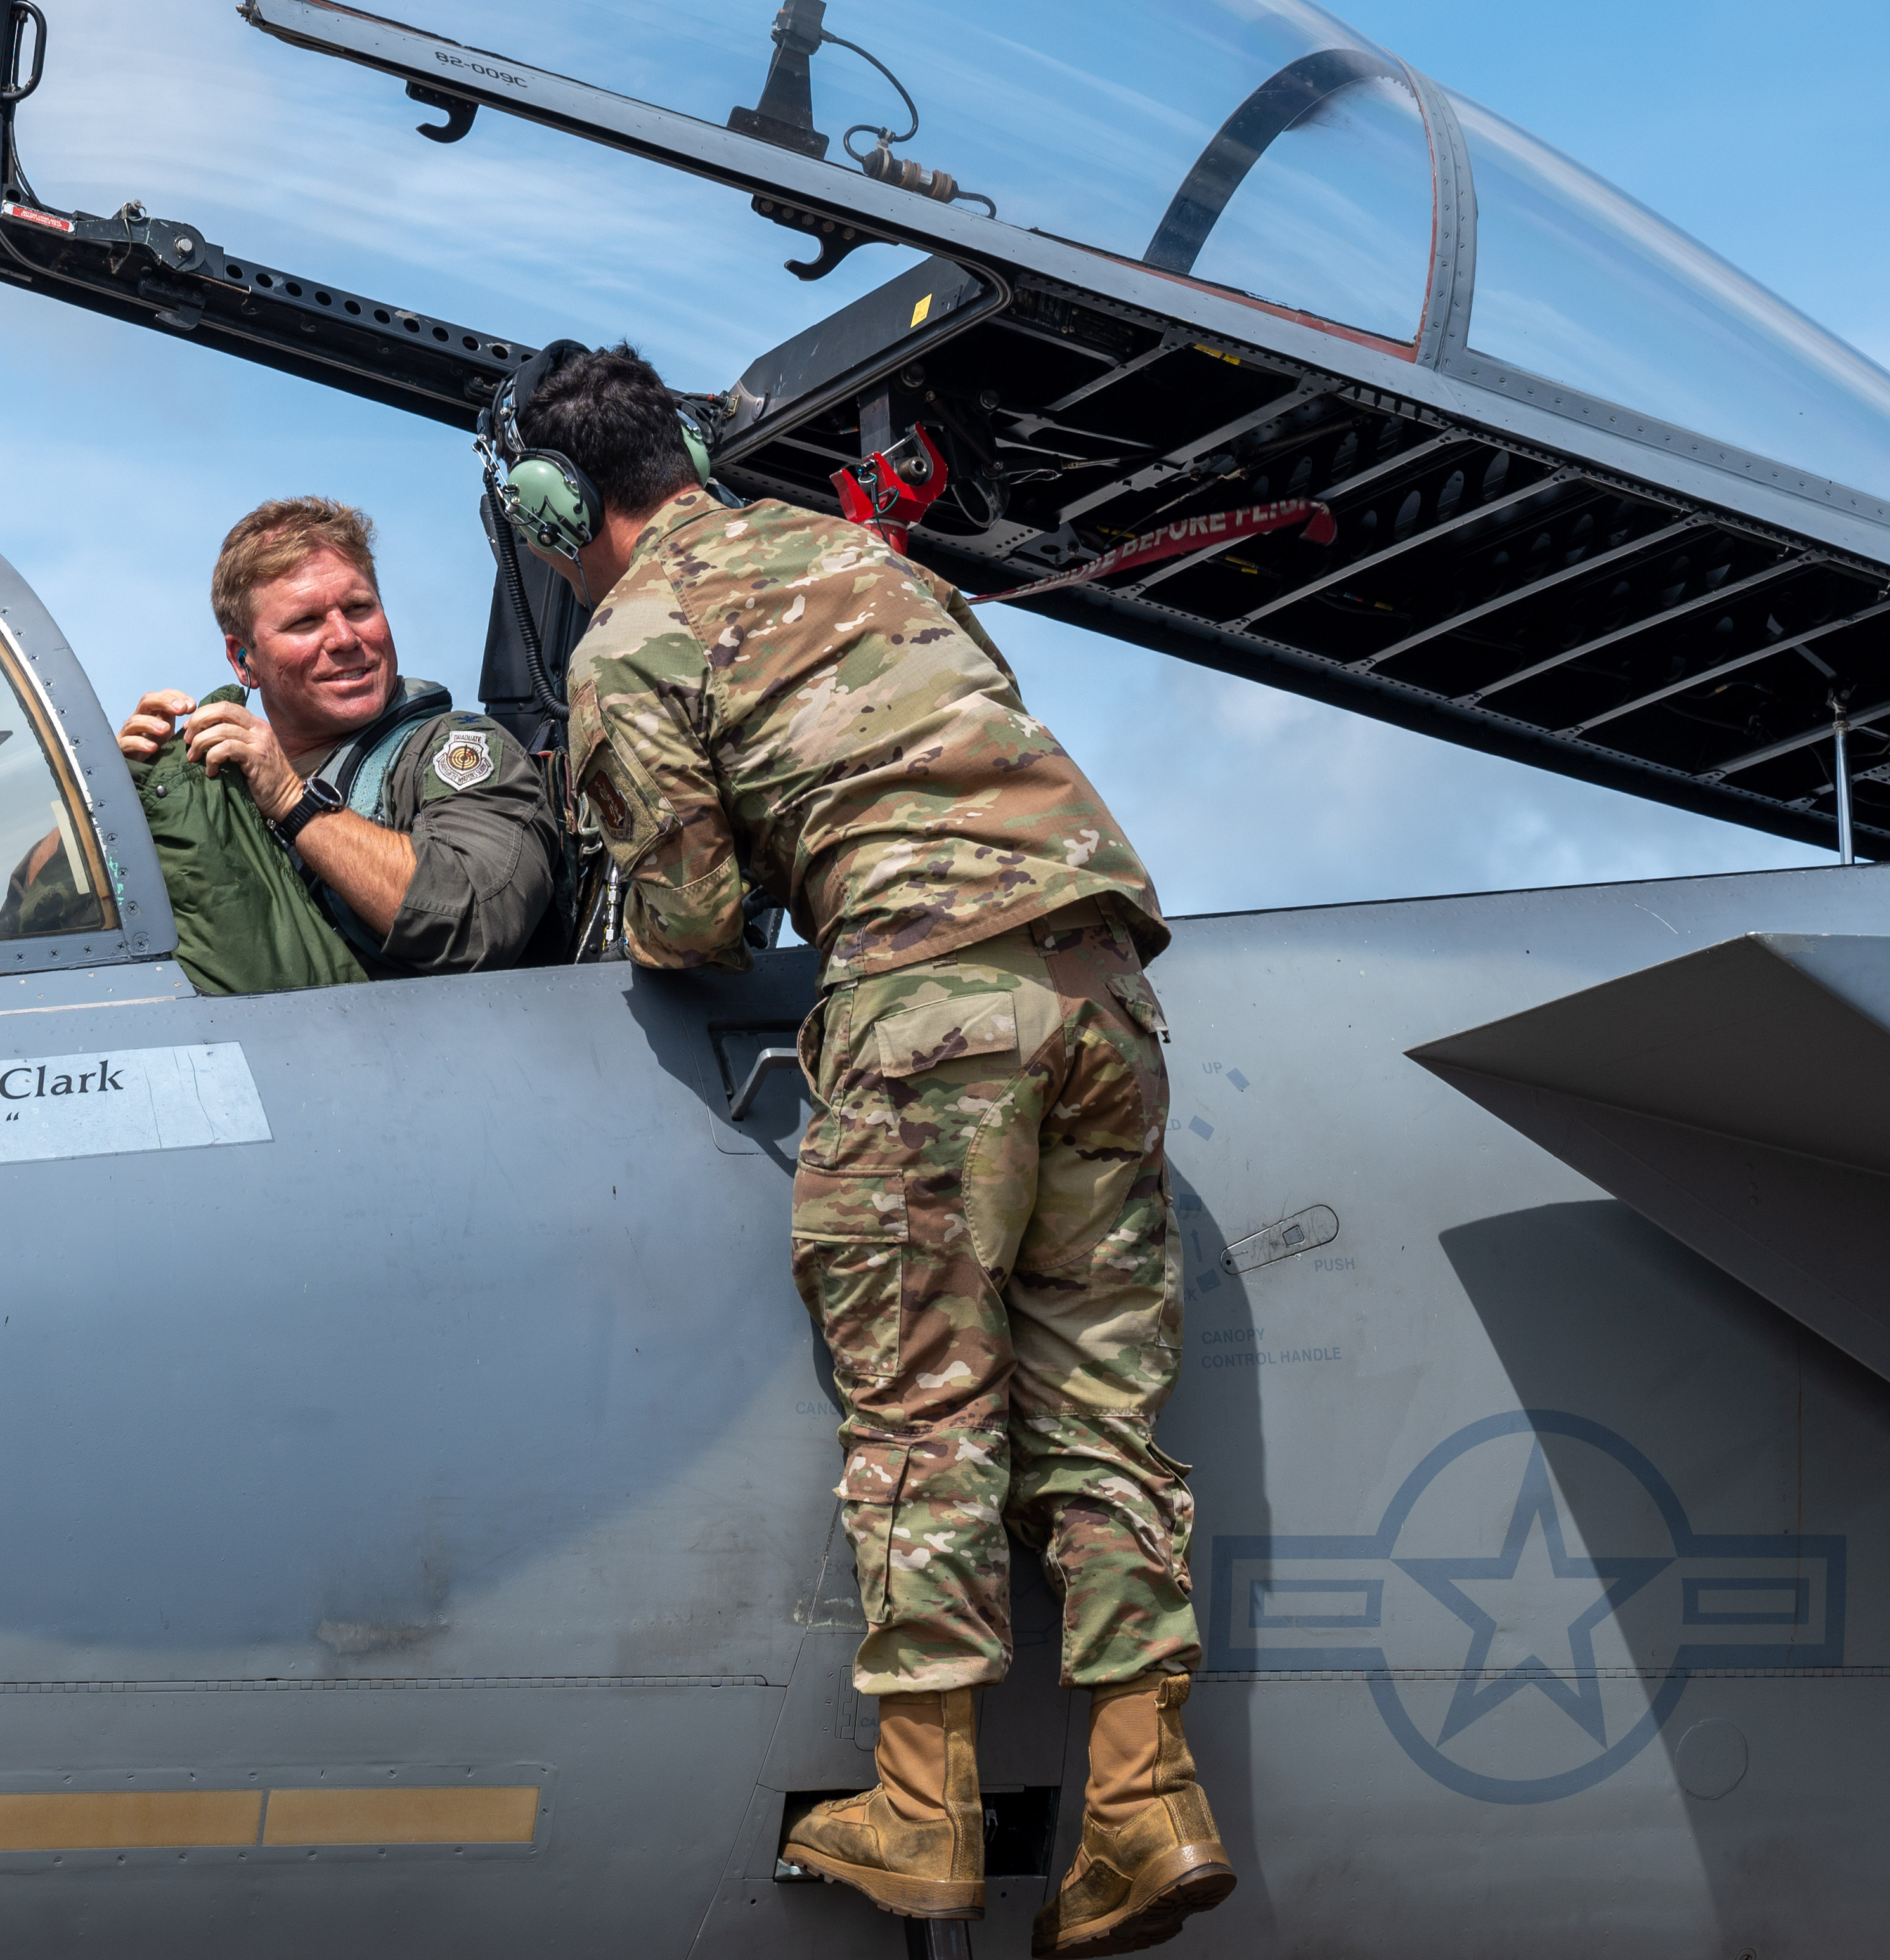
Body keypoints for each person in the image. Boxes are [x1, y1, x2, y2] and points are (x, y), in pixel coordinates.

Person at [495, 343, 1231, 1956]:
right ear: (686, 454)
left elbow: (691, 918)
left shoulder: (629, 639)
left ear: (549, 509)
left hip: (926, 1004)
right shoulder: (858, 554)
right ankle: (1145, 1807)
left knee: (923, 1406)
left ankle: (922, 1803)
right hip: (1103, 988)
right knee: (1099, 1409)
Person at [112, 497, 566, 987]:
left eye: (358, 608)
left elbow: (478, 922)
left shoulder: (451, 751)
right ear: (243, 659)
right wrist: (109, 807)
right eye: (305, 622)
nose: (345, 638)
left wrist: (293, 801)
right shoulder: (212, 786)